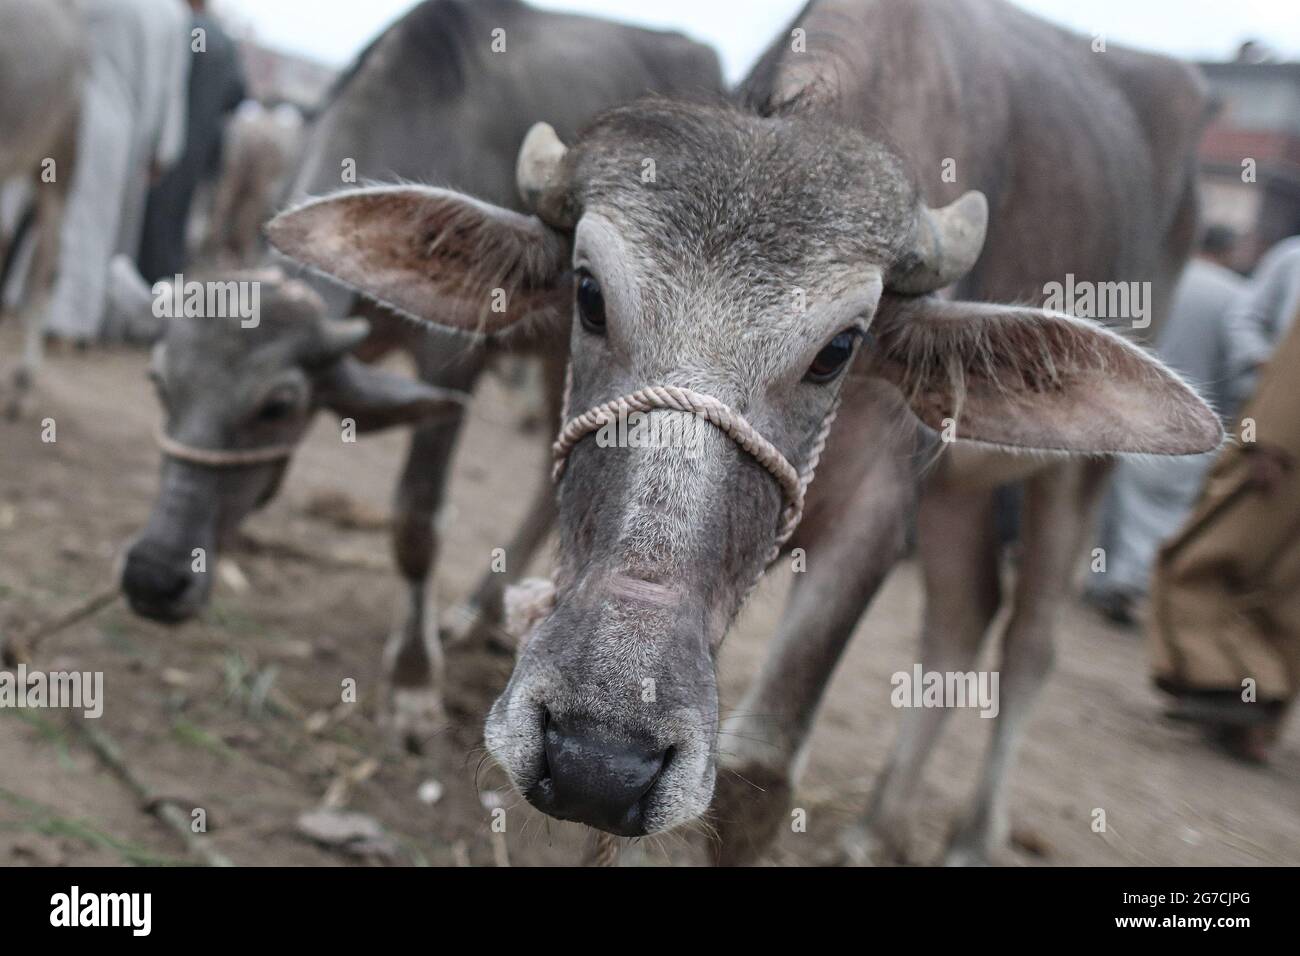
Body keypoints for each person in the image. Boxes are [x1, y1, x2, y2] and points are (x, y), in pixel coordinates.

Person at [1150, 236, 1300, 764]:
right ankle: (1247, 714)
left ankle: (1227, 687)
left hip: (1284, 457)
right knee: (1282, 594)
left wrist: (1271, 442)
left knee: (1201, 562)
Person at [1086, 229, 1246, 624]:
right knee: (1163, 514)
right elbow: (1239, 365)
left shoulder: (1161, 279)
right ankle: (1132, 585)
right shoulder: (1237, 296)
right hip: (1194, 419)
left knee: (1119, 507)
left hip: (1130, 412)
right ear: (1227, 252)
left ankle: (1107, 582)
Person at [44, 0, 189, 344]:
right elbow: (169, 87)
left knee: (44, 206)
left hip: (62, 107)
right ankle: (72, 317)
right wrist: (162, 148)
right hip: (114, 125)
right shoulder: (171, 13)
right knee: (93, 222)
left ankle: (28, 295)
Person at [137, 0, 246, 283]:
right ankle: (164, 283)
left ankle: (141, 280)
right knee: (178, 215)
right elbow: (237, 94)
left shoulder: (181, 27)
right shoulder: (225, 41)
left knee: (150, 214)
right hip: (200, 148)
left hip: (165, 140)